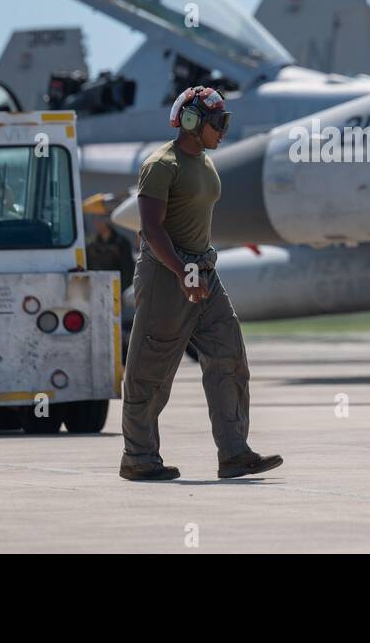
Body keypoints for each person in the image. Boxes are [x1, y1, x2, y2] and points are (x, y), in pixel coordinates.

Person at [119, 86, 281, 481]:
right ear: (192, 122)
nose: (223, 130)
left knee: (229, 356)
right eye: (218, 122)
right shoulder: (162, 165)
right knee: (150, 370)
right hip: (166, 274)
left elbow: (196, 218)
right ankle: (138, 458)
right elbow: (152, 230)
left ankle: (234, 453)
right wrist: (183, 272)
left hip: (203, 271)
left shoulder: (206, 163)